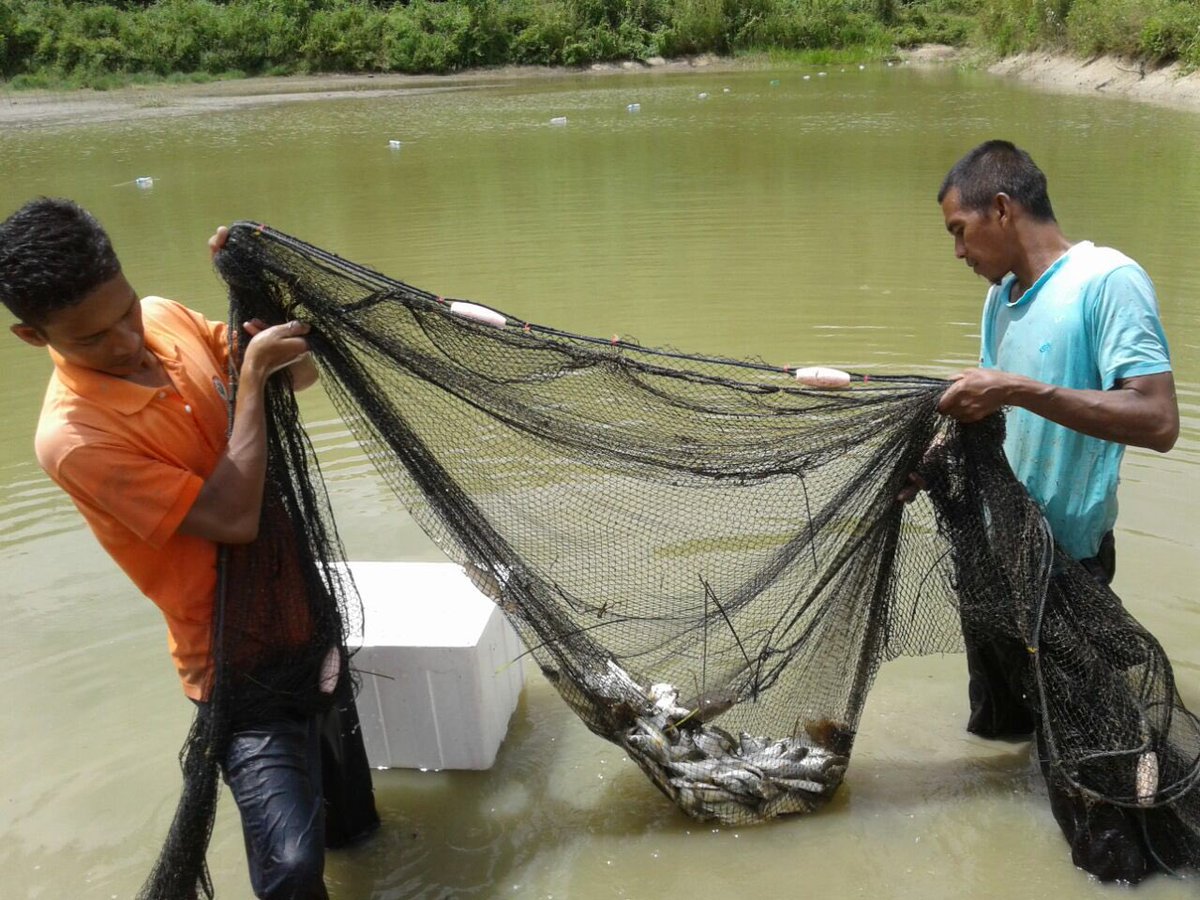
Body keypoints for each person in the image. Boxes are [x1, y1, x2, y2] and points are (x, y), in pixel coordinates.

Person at [0, 198, 364, 899]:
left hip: (307, 616)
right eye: (91, 339)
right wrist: (250, 381)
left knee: (352, 827)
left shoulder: (166, 317)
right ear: (29, 335)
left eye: (125, 312)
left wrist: (259, 300)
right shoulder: (74, 438)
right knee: (291, 867)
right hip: (232, 663)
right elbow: (233, 518)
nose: (126, 342)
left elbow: (300, 379)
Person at [928, 140, 1180, 881]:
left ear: (1002, 209)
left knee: (1090, 780)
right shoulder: (998, 298)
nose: (957, 252)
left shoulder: (1108, 282)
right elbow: (994, 428)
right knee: (998, 737)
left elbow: (1158, 419)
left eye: (958, 231)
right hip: (995, 560)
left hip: (1065, 571)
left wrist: (1015, 390)